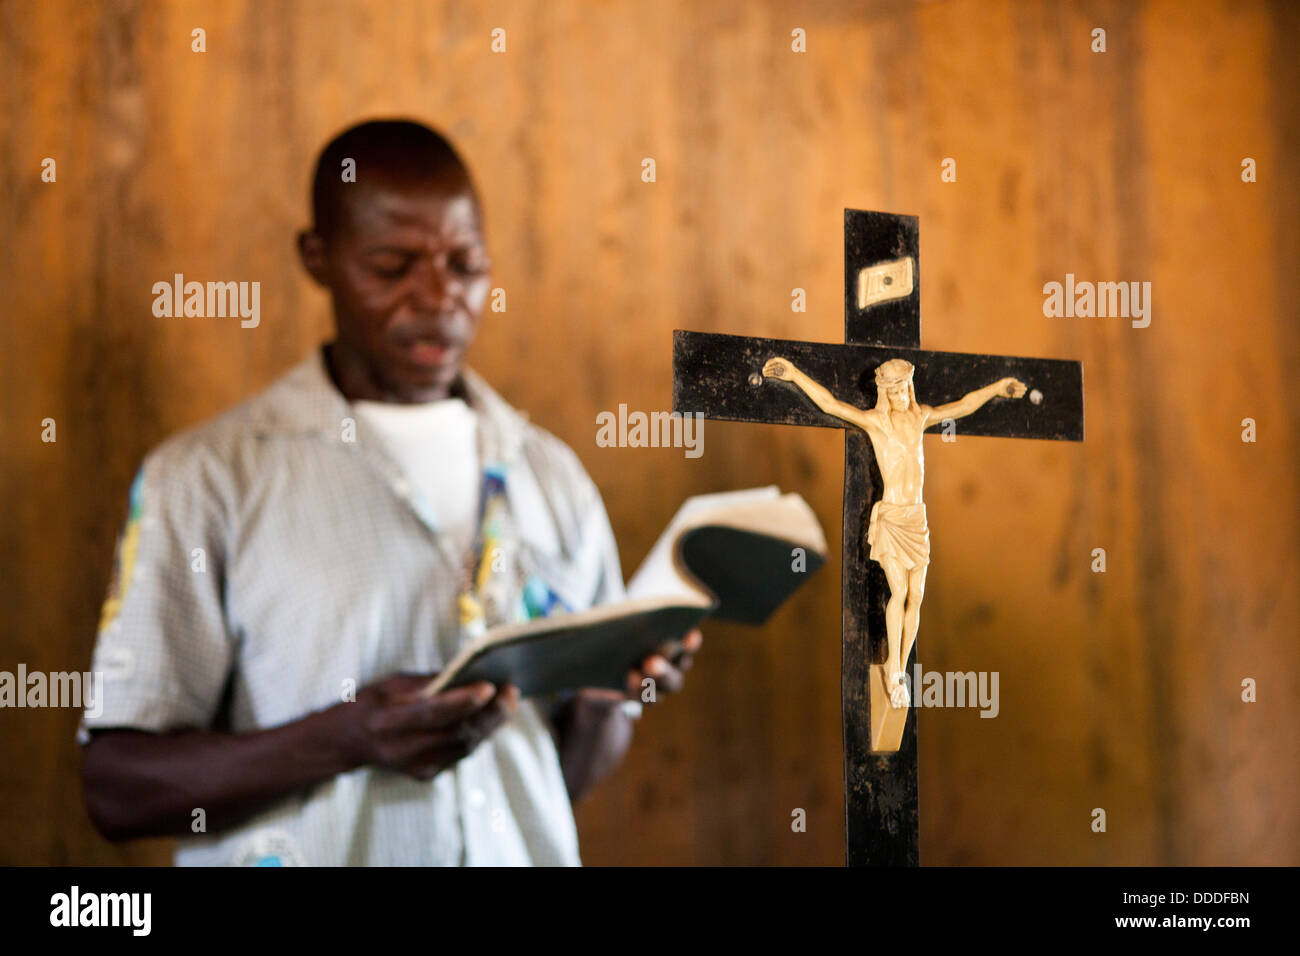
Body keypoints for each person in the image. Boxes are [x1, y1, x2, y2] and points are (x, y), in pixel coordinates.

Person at [79, 118, 702, 866]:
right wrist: (344, 738)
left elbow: (542, 782)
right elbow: (118, 790)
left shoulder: (550, 475)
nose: (439, 296)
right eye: (392, 265)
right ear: (318, 259)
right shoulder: (209, 477)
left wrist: (615, 693)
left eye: (466, 263)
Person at [762, 355, 1023, 707]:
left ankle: (898, 665)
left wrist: (997, 388)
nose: (901, 394)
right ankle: (893, 670)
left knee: (917, 596)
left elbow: (963, 406)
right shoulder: (876, 423)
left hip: (917, 519)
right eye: (894, 389)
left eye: (905, 387)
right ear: (884, 391)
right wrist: (794, 375)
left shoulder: (921, 418)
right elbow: (829, 403)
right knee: (897, 591)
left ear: (910, 388)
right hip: (892, 517)